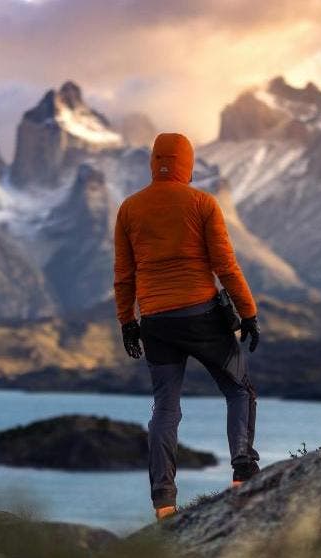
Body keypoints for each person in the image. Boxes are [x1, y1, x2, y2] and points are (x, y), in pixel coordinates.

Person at [112, 132, 261, 521]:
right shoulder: (202, 203)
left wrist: (128, 323)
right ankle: (243, 473)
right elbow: (225, 266)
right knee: (238, 389)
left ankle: (164, 500)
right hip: (201, 315)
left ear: (154, 163)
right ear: (187, 164)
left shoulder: (129, 209)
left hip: (156, 321)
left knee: (165, 408)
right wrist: (248, 313)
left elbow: (124, 276)